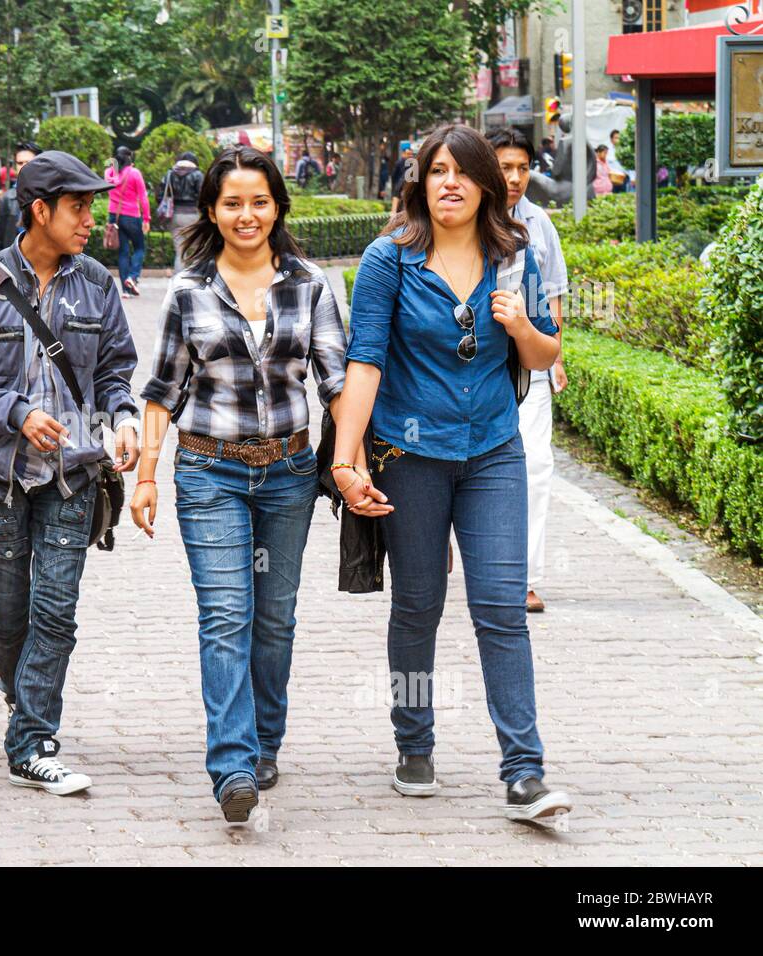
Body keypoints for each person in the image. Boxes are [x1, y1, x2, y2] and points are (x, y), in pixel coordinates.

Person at [330, 123, 573, 823]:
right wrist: (347, 462)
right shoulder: (389, 261)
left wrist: (522, 326)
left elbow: (542, 352)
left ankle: (524, 773)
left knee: (500, 609)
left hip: (494, 451)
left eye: (463, 172)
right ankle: (414, 743)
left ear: (488, 186)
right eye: (436, 171)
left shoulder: (514, 256)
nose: (449, 182)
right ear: (420, 181)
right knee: (418, 604)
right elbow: (365, 362)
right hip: (410, 458)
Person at [128, 145, 348, 824]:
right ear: (212, 211)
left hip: (288, 472)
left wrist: (354, 462)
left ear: (278, 205)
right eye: (232, 203)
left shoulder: (310, 284)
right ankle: (231, 765)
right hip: (208, 470)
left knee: (274, 619)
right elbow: (164, 389)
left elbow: (339, 385)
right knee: (226, 616)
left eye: (259, 201)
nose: (246, 214)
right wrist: (146, 476)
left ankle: (265, 741)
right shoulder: (189, 289)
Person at [0, 150, 140, 796]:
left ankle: (31, 740)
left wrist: (125, 417)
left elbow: (114, 369)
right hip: (0, 475)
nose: (90, 219)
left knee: (56, 610)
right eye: (78, 208)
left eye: (92, 206)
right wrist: (17, 412)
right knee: (9, 611)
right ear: (40, 210)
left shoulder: (98, 285)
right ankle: (19, 689)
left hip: (73, 474)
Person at [489, 127, 569, 615]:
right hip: (469, 369)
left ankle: (524, 578)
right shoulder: (458, 218)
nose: (515, 178)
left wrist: (555, 354)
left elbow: (553, 292)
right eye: (504, 167)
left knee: (536, 464)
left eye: (522, 168)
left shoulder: (538, 224)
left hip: (527, 363)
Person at [104, 145, 151, 297]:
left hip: (114, 216)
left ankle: (125, 291)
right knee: (139, 248)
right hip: (131, 215)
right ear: (129, 158)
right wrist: (146, 218)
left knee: (123, 252)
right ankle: (132, 277)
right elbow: (143, 197)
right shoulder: (134, 173)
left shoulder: (109, 173)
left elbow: (112, 171)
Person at [161, 151, 204, 274]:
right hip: (193, 215)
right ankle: (196, 279)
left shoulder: (170, 174)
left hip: (174, 215)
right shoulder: (197, 175)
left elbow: (161, 195)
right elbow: (203, 196)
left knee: (180, 252)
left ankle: (178, 282)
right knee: (198, 249)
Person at [0, 141, 39, 252]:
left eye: (28, 162)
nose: (24, 166)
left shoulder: (50, 195)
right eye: (20, 163)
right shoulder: (8, 199)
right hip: (14, 262)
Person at [390, 141, 414, 214]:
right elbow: (394, 177)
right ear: (404, 152)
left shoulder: (412, 163)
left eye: (411, 153)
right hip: (400, 188)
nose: (410, 155)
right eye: (408, 153)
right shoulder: (400, 163)